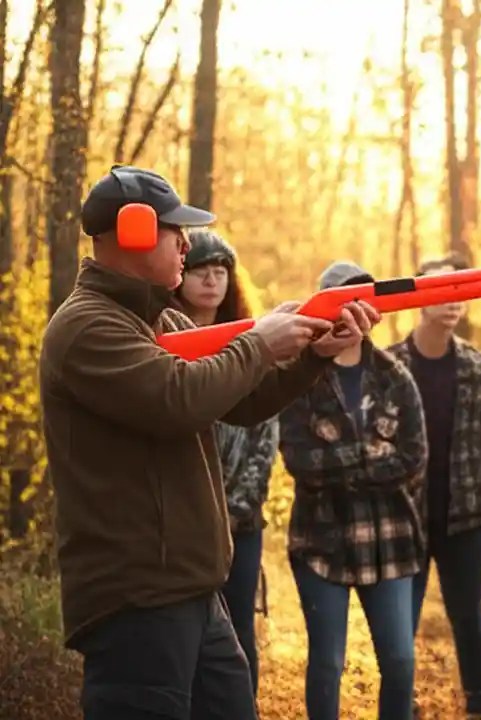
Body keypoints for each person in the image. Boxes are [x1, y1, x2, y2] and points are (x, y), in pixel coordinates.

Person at [39, 164, 379, 719]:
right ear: (135, 232)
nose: (187, 244)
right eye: (176, 230)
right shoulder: (87, 327)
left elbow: (240, 402)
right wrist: (259, 344)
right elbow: (178, 400)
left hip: (191, 589)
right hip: (137, 599)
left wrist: (313, 354)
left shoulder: (160, 319)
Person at [279, 260, 428, 720]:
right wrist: (369, 459)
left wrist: (347, 464)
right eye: (344, 298)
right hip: (321, 539)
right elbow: (301, 462)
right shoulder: (300, 377)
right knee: (328, 662)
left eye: (365, 297)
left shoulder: (395, 376)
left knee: (400, 662)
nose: (356, 308)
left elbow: (413, 457)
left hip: (390, 539)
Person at [387, 252, 481, 718]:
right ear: (419, 297)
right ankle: (402, 705)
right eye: (442, 290)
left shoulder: (478, 368)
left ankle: (479, 703)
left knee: (468, 616)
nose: (453, 301)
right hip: (406, 517)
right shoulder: (390, 366)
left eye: (461, 291)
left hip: (466, 520)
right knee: (402, 622)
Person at [171, 229, 277, 695]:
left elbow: (264, 438)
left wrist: (233, 510)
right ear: (182, 276)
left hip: (241, 520)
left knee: (237, 632)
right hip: (182, 521)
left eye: (221, 272)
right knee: (184, 636)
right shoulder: (160, 337)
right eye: (201, 271)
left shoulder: (254, 340)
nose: (212, 281)